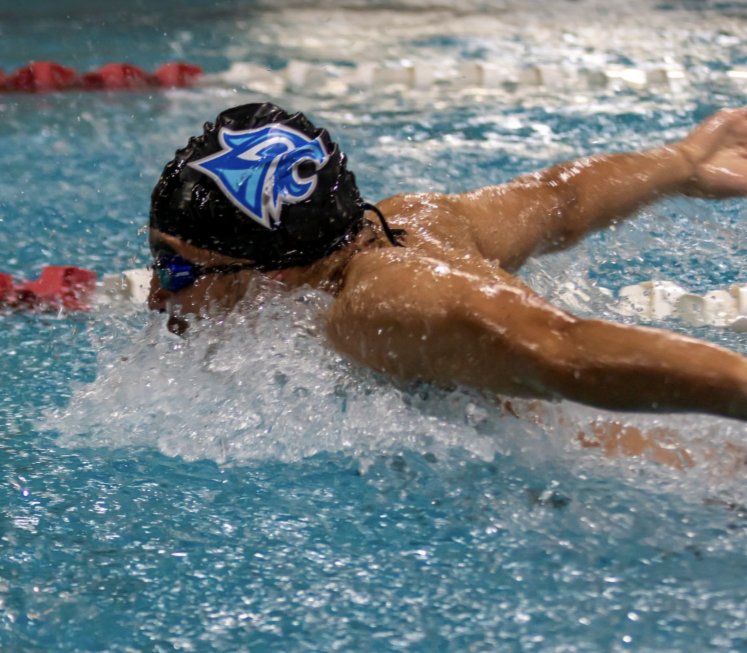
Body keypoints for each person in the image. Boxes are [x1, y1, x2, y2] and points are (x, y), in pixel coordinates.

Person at [147, 102, 747, 433]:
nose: (155, 293)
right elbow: (558, 199)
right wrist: (684, 162)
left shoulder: (381, 304)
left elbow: (562, 349)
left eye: (177, 269)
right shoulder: (410, 219)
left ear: (273, 272)